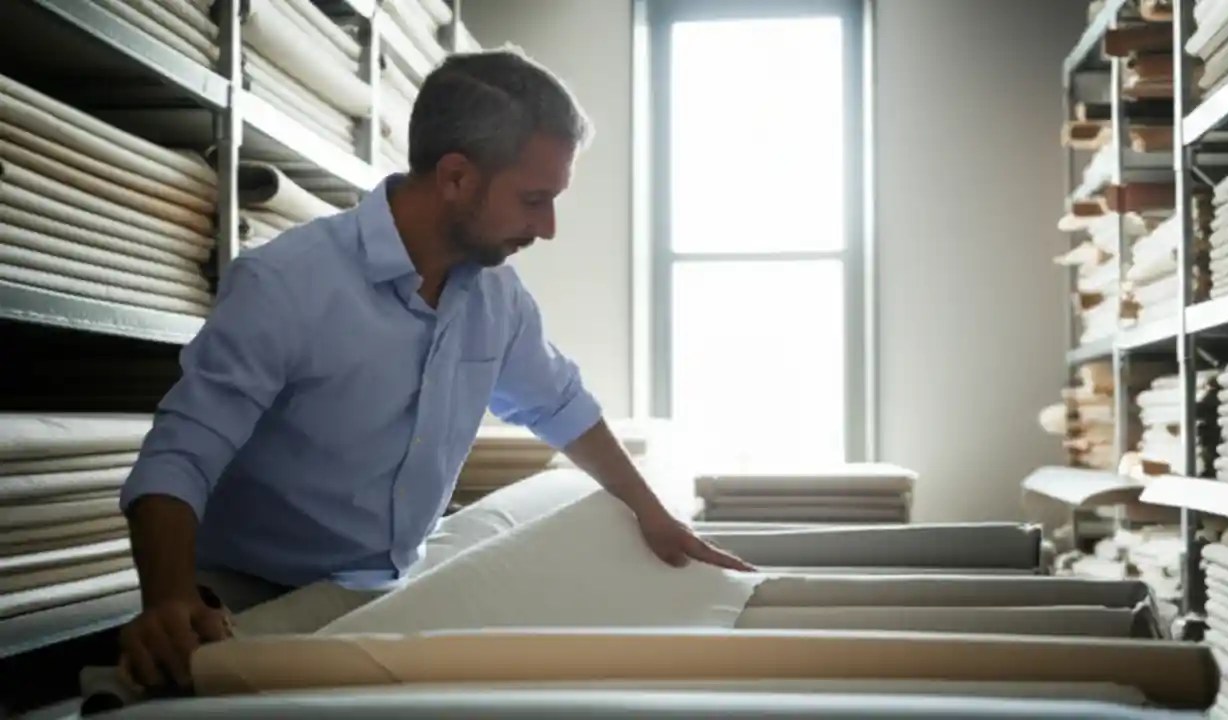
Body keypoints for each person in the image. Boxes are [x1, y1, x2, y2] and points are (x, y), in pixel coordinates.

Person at [115, 47, 752, 691]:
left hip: (393, 596)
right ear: (455, 178)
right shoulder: (288, 285)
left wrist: (652, 514)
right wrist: (168, 600)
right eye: (534, 199)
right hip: (256, 606)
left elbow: (562, 407)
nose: (549, 227)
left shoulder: (496, 299)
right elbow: (180, 455)